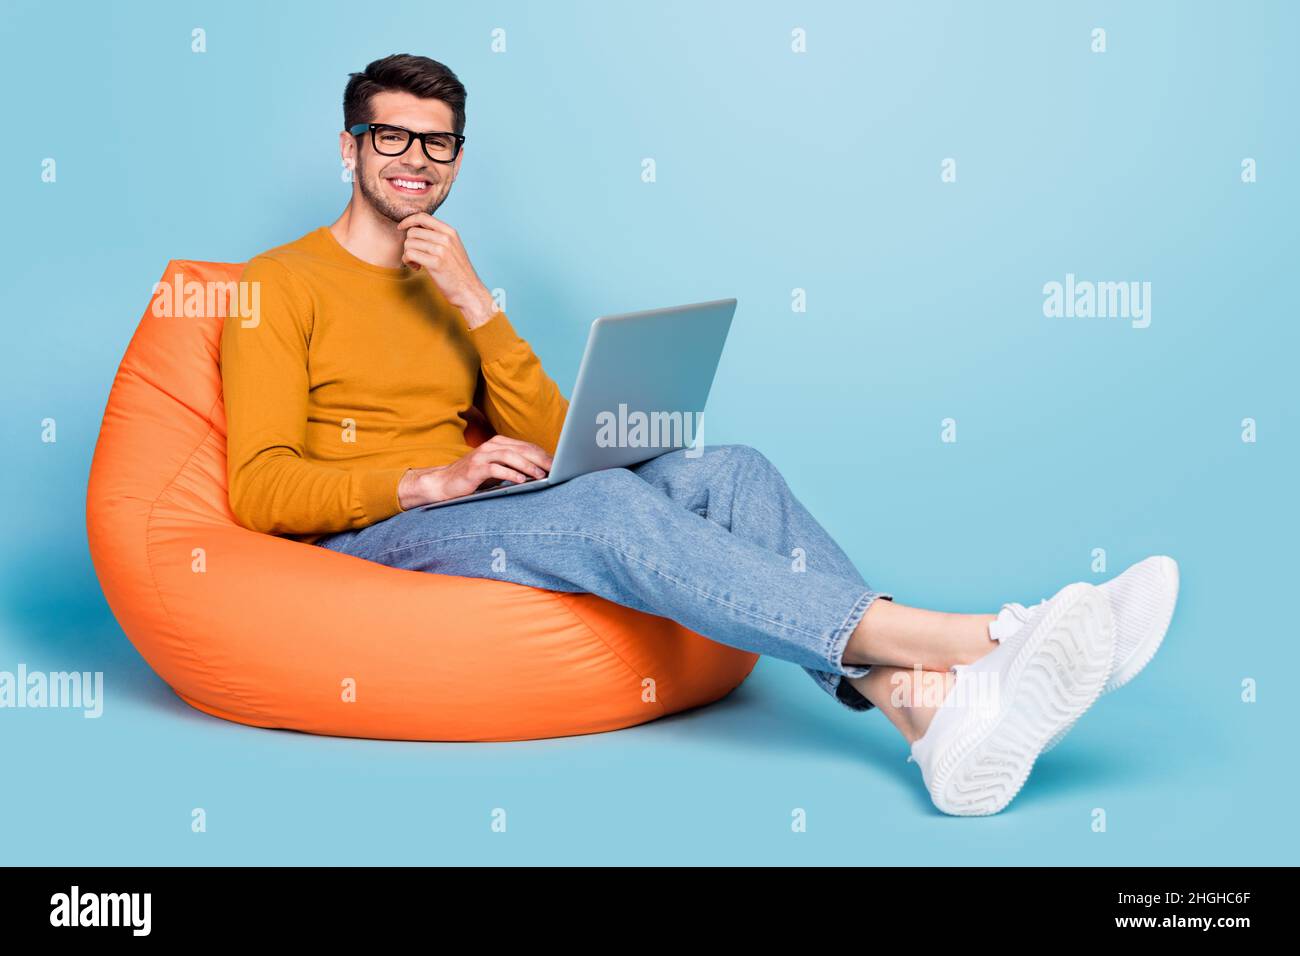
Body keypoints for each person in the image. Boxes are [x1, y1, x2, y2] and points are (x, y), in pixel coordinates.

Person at [219, 54, 1180, 816]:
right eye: (392, 137)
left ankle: (929, 722)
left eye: (439, 145)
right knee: (602, 505)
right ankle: (983, 643)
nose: (415, 162)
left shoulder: (451, 282)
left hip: (483, 501)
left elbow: (553, 437)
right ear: (349, 150)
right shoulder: (274, 285)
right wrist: (433, 479)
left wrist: (475, 304)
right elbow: (259, 490)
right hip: (376, 533)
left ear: (459, 159)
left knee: (732, 473)